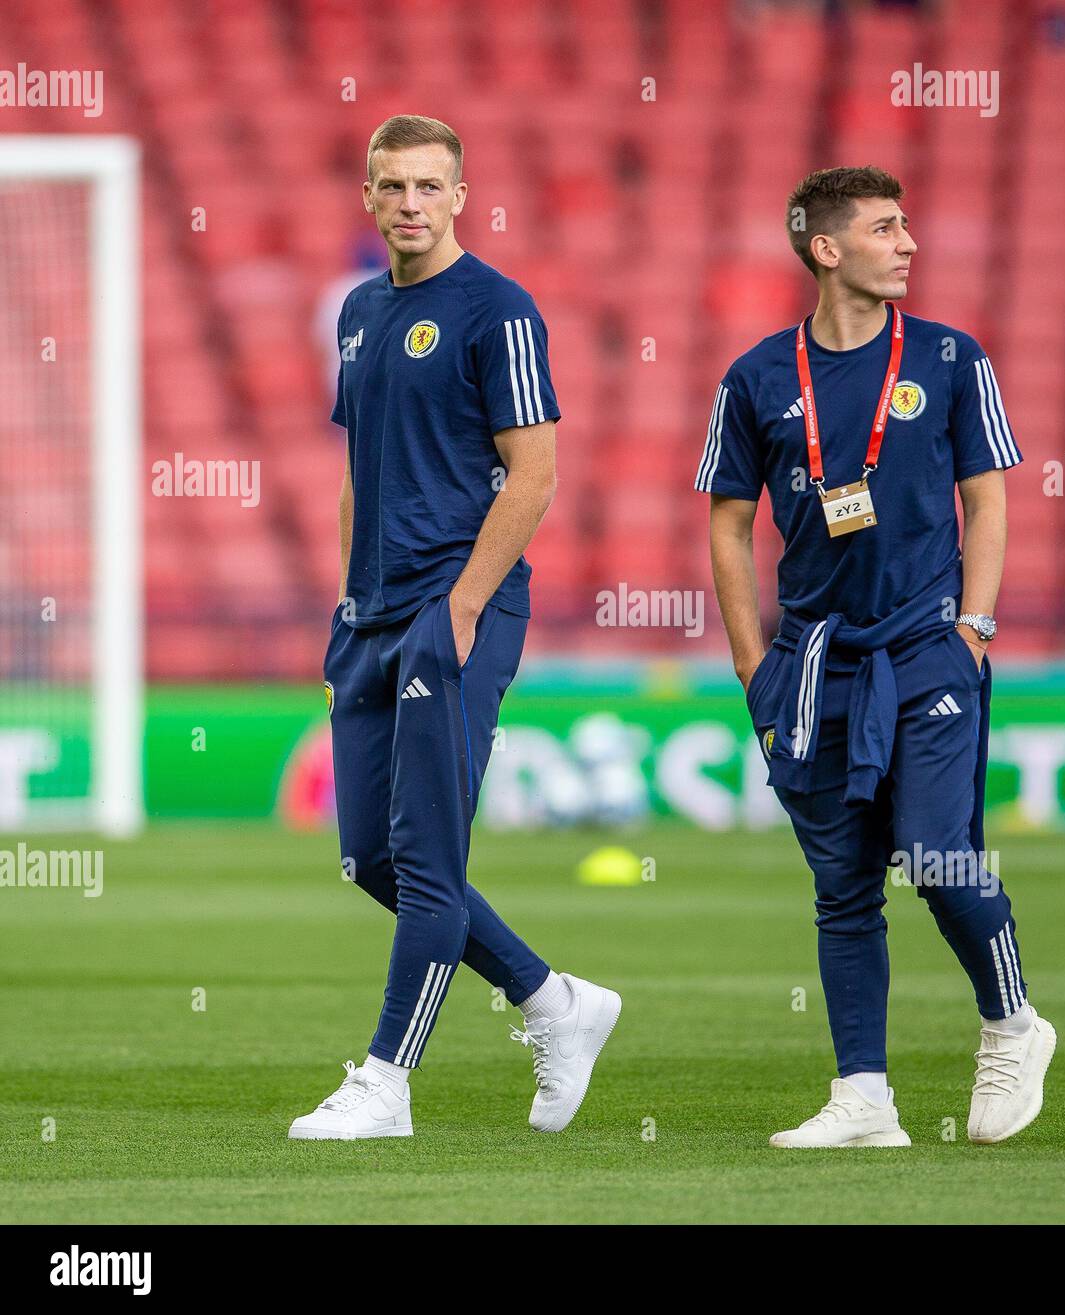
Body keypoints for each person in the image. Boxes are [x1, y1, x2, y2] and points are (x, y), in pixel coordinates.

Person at [698, 166, 1054, 1148]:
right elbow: (728, 527)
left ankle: (1013, 1021)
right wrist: (750, 664)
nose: (906, 243)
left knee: (937, 857)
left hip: (927, 648)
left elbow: (986, 497)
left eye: (906, 226)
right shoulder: (757, 378)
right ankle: (864, 1098)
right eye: (885, 228)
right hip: (813, 664)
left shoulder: (947, 357)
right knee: (842, 886)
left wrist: (973, 629)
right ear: (826, 248)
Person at [290, 115, 620, 1141]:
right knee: (372, 861)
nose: (410, 204)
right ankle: (552, 999)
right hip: (372, 613)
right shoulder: (357, 314)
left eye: (429, 186)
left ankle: (386, 1080)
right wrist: (347, 602)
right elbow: (360, 471)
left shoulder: (497, 311)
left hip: (456, 604)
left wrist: (463, 605)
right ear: (368, 198)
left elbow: (535, 474)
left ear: (461, 196)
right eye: (391, 186)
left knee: (427, 858)